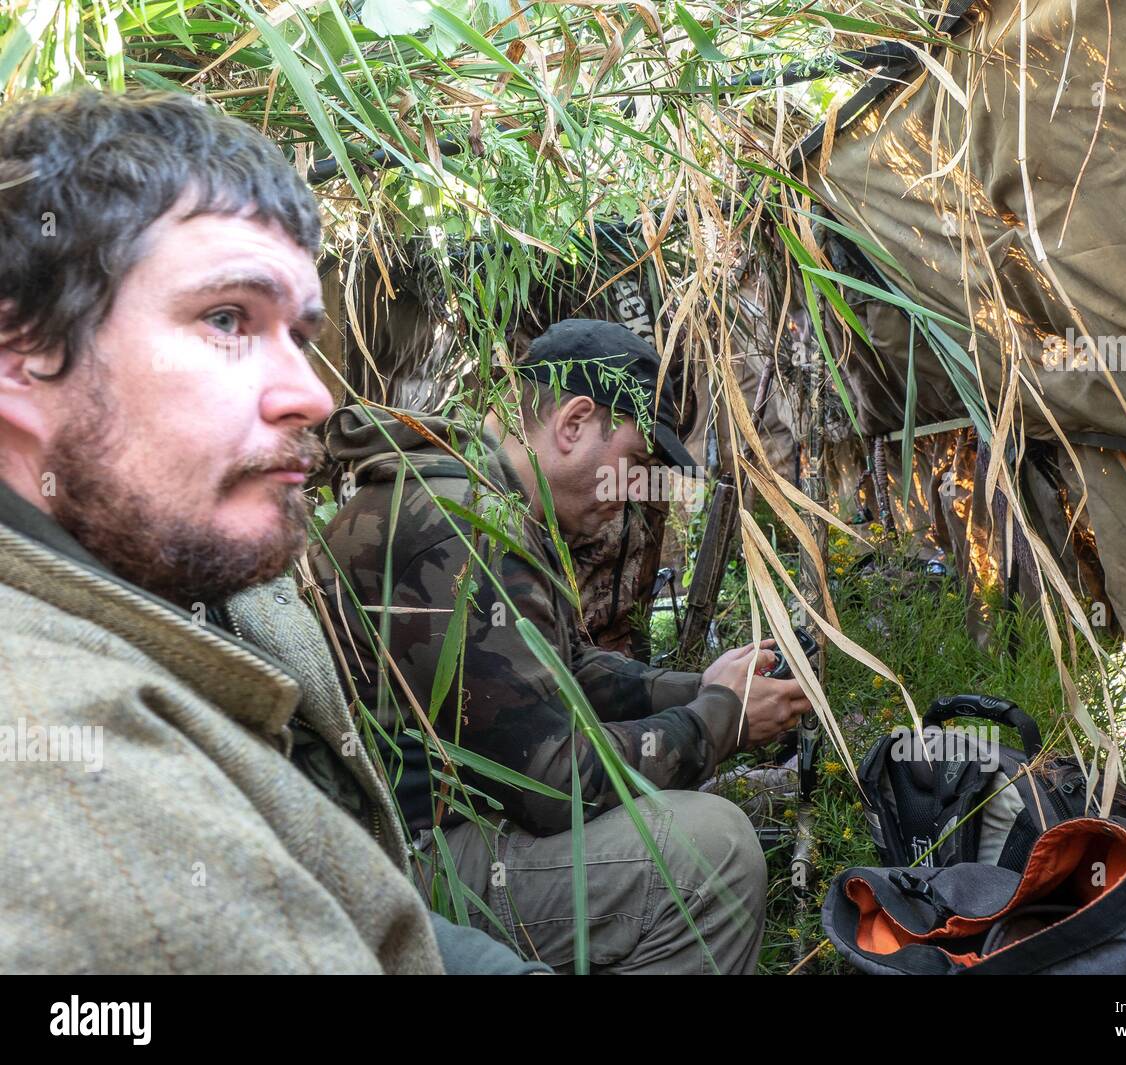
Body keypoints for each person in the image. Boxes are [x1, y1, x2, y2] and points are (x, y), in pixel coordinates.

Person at [0, 89, 543, 974]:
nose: (314, 395)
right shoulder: (63, 765)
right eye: (226, 319)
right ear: (21, 358)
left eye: (300, 332)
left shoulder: (209, 579)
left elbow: (339, 889)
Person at [313, 319, 814, 973]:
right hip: (392, 855)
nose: (636, 494)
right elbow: (553, 784)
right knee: (712, 850)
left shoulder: (478, 498)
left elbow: (567, 670)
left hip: (426, 828)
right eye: (634, 464)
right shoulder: (464, 526)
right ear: (575, 422)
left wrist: (707, 688)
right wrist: (723, 720)